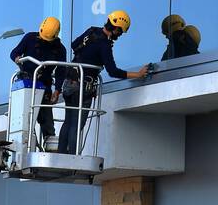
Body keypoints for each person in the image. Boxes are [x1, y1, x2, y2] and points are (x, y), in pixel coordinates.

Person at [58, 11, 149, 155]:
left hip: (69, 82)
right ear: (116, 28)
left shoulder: (92, 30)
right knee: (77, 124)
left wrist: (89, 57)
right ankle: (71, 158)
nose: (119, 36)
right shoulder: (104, 45)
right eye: (120, 32)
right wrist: (137, 75)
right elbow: (112, 71)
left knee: (68, 122)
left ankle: (61, 154)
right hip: (82, 86)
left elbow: (74, 44)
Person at [9, 18, 67, 150]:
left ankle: (50, 143)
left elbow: (61, 71)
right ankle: (27, 143)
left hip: (44, 86)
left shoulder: (60, 49)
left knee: (46, 116)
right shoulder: (30, 38)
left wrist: (57, 90)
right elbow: (14, 53)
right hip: (26, 83)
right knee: (25, 118)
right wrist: (17, 58)